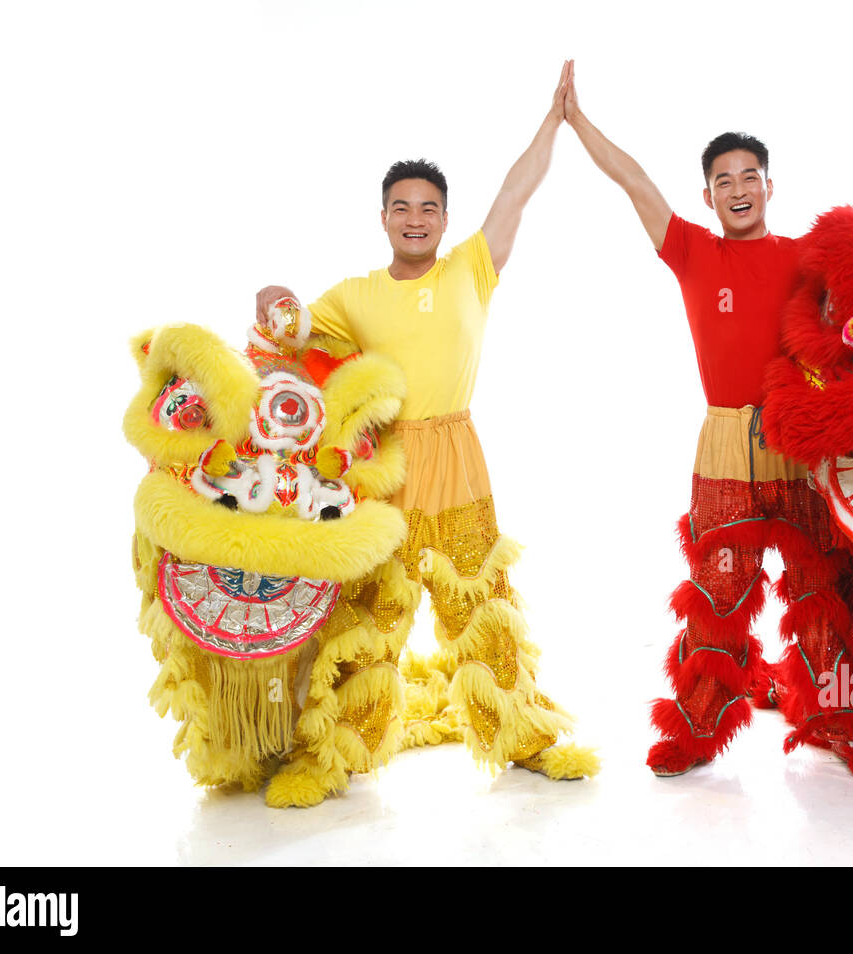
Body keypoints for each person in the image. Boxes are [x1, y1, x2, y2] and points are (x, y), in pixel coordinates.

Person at [302, 61, 596, 781]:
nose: (415, 218)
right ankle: (342, 749)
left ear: (444, 218)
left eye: (428, 207)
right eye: (401, 207)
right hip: (388, 467)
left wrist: (554, 121)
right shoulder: (351, 296)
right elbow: (291, 340)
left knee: (481, 604)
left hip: (459, 453)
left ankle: (520, 736)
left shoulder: (470, 268)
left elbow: (517, 190)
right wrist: (271, 296)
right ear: (382, 217)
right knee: (372, 615)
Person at [562, 64, 819, 776]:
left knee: (822, 587)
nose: (738, 190)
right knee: (718, 592)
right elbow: (634, 181)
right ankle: (698, 729)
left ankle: (843, 718)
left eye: (749, 177)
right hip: (725, 445)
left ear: (770, 185)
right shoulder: (692, 250)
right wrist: (578, 122)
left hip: (797, 440)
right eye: (723, 181)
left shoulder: (805, 258)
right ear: (708, 196)